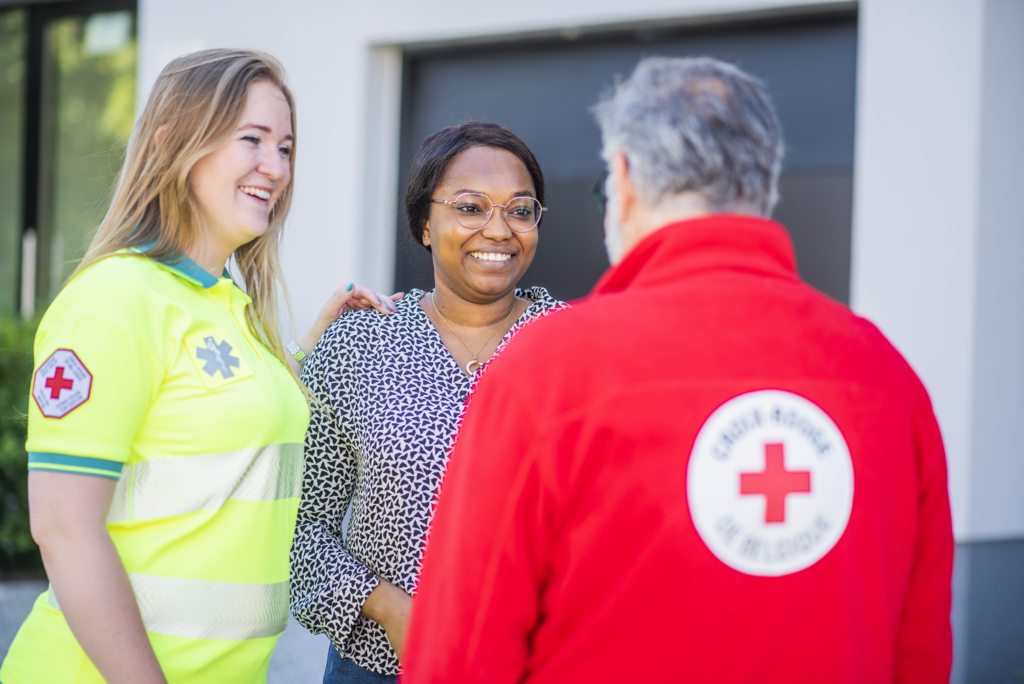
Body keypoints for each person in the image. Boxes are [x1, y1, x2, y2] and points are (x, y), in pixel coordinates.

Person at [403, 57, 954, 683]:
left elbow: (462, 658)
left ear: (626, 180)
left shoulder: (546, 371)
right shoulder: (885, 378)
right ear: (765, 185)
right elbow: (920, 654)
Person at [0, 49, 399, 684]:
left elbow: (215, 420)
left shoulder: (230, 305)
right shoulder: (116, 299)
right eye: (252, 140)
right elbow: (63, 527)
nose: (276, 168)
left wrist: (304, 345)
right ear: (173, 144)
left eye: (287, 148)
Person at [289, 121, 567, 683]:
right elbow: (297, 522)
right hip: (382, 667)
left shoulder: (577, 346)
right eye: (470, 207)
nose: (498, 229)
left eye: (520, 209)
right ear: (424, 223)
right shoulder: (360, 344)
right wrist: (390, 608)